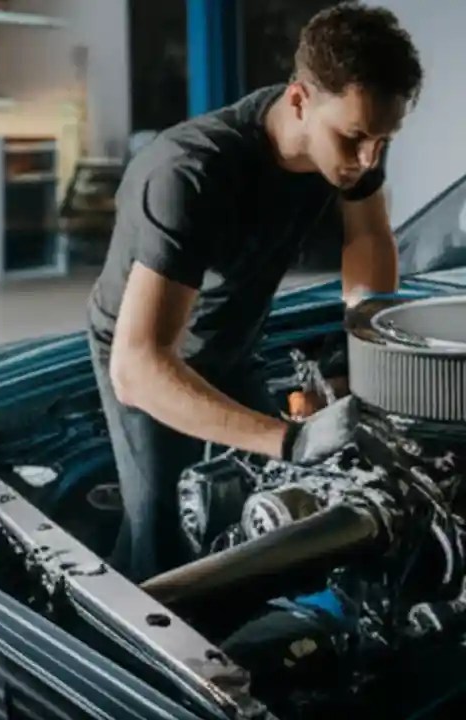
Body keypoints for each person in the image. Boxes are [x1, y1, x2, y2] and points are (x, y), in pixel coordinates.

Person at [87, 3, 423, 583]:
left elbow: (368, 235)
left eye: (383, 141)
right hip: (147, 355)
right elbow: (137, 367)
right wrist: (290, 440)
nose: (368, 160)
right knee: (168, 540)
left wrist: (363, 355)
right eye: (355, 138)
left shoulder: (348, 142)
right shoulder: (188, 174)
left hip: (234, 338)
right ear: (299, 101)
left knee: (268, 509)